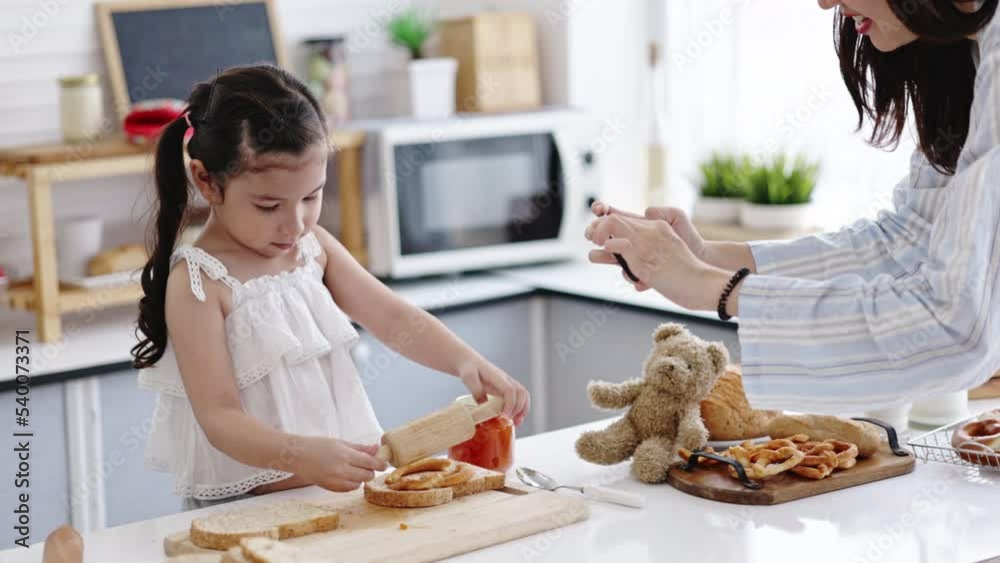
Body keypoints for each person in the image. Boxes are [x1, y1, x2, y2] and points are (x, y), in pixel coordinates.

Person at [130, 65, 529, 511]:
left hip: (330, 497)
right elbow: (219, 418)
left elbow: (395, 319)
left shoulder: (311, 247)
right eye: (268, 206)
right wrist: (301, 454)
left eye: (311, 196)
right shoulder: (198, 282)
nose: (295, 222)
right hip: (243, 508)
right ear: (206, 180)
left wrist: (466, 361)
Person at [585, 0, 1000, 414]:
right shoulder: (971, 47)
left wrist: (710, 287)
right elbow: (913, 238)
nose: (824, 3)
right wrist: (708, 258)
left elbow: (954, 327)